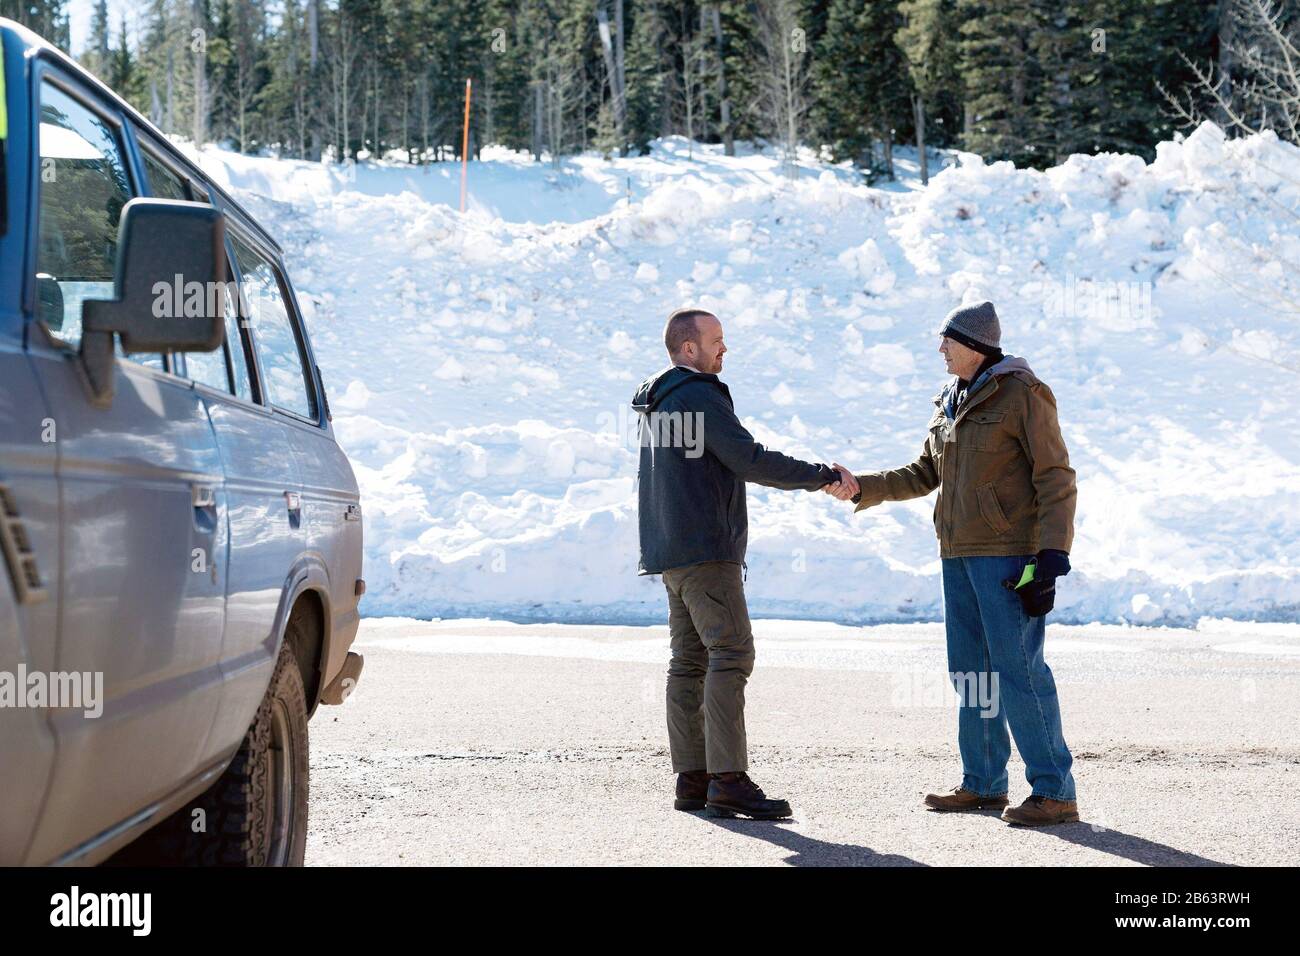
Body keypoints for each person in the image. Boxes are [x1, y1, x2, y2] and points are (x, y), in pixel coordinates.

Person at [827, 301, 1080, 827]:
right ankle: (984, 784)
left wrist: (1053, 554)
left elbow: (1055, 475)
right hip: (958, 553)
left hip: (1009, 555)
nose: (939, 349)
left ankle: (1054, 790)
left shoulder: (1023, 395)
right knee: (971, 672)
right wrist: (862, 487)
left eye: (947, 341)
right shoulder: (950, 400)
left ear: (975, 345)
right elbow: (924, 472)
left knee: (1019, 670)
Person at [633, 306, 857, 820]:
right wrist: (821, 475)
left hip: (673, 550)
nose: (724, 349)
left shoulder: (660, 399)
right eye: (717, 340)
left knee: (689, 662)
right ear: (688, 348)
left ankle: (694, 779)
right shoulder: (695, 394)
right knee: (731, 655)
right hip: (707, 550)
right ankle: (728, 780)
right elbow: (749, 458)